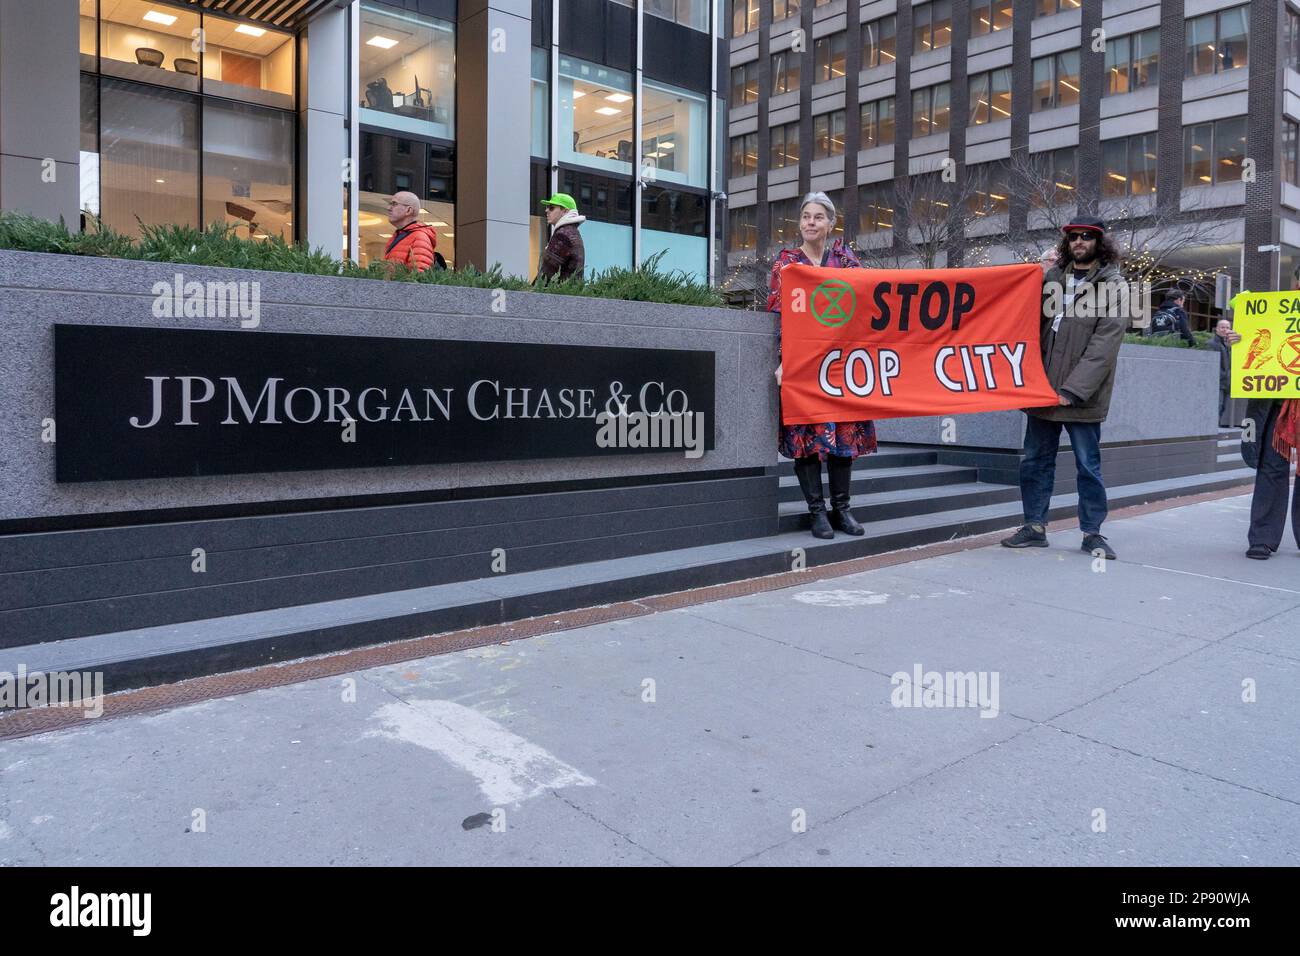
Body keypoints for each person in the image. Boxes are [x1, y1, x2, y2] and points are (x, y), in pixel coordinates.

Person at [1002, 216, 1127, 559]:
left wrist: (1072, 391)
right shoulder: (1051, 278)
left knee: (1088, 465)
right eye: (1074, 237)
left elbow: (1105, 346)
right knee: (1035, 461)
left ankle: (1092, 533)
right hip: (1042, 390)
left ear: (1100, 243)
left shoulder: (1113, 286)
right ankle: (1034, 526)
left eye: (1087, 237)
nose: (1079, 242)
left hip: (1081, 398)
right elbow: (1020, 323)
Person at [768, 192, 876, 539]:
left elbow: (864, 312)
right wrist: (784, 362)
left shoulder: (848, 263)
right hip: (802, 366)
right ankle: (817, 512)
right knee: (808, 439)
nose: (810, 223)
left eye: (817, 217)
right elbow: (777, 317)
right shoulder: (786, 264)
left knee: (844, 437)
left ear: (831, 223)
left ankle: (842, 509)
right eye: (805, 217)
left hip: (841, 368)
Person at [1241, 267, 1300, 560]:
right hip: (1276, 409)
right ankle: (1263, 538)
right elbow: (1251, 350)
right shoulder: (1272, 314)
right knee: (1271, 470)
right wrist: (1234, 337)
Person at [381, 191, 438, 272]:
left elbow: (418, 278)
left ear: (408, 210)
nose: (389, 208)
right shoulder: (399, 235)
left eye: (394, 204)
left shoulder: (419, 237)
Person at [536, 192, 586, 283]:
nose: (546, 210)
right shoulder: (573, 232)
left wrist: (530, 293)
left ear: (565, 211)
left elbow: (546, 275)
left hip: (558, 295)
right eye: (547, 207)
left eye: (551, 208)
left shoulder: (562, 235)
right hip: (569, 294)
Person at [1204, 318, 1240, 421]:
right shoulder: (1211, 344)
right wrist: (1222, 376)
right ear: (1217, 329)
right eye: (1222, 327)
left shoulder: (1230, 345)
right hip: (1217, 383)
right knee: (1217, 407)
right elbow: (1210, 366)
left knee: (1222, 408)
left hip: (1227, 383)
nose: (1225, 329)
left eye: (1227, 327)